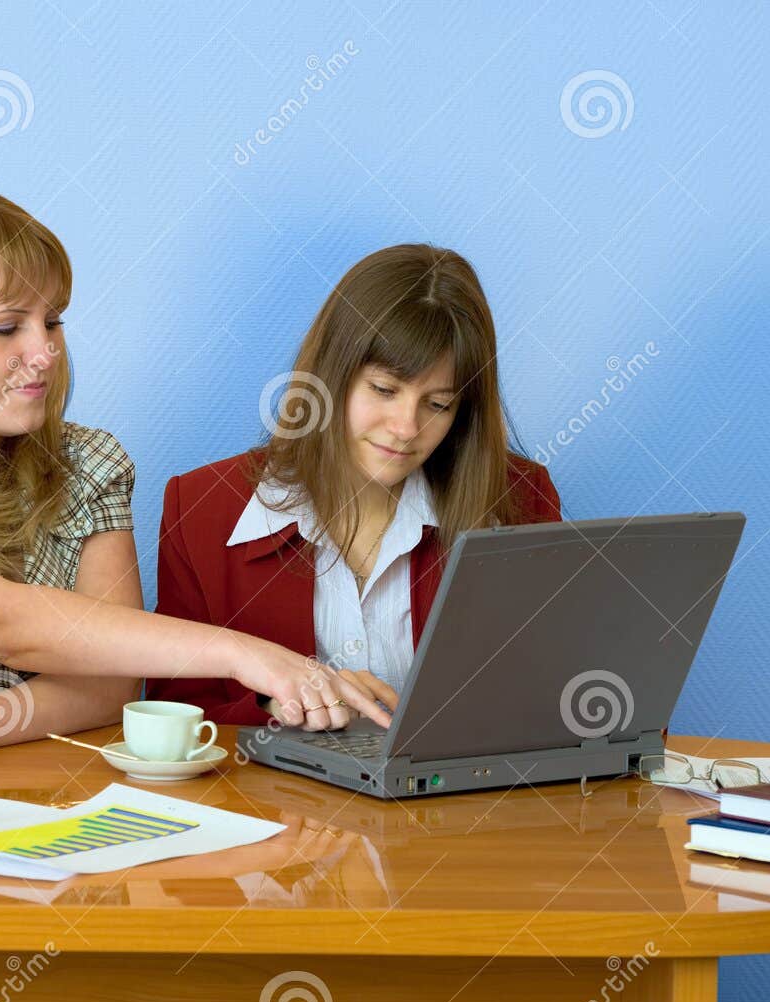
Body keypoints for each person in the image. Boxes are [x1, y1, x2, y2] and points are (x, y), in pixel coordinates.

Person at [0, 188, 389, 754]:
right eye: (7, 326)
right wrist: (239, 652)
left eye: (53, 321)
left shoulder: (89, 464)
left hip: (19, 786)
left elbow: (109, 688)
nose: (44, 352)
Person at [148, 244, 562, 727]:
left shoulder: (518, 498)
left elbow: (568, 684)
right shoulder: (202, 507)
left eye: (438, 404)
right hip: (271, 803)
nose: (406, 427)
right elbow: (169, 709)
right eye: (384, 390)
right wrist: (280, 702)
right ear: (331, 375)